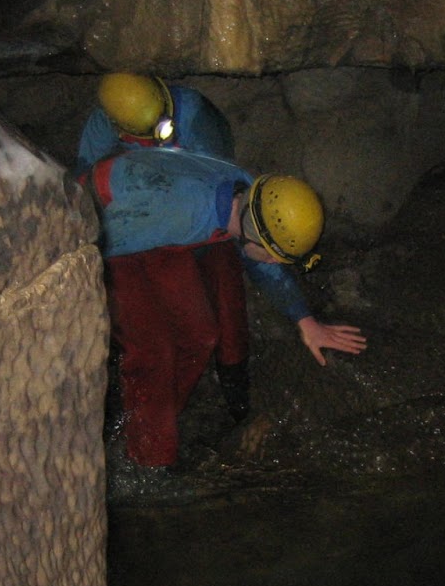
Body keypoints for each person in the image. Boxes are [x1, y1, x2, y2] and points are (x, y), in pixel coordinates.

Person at [88, 146, 367, 469]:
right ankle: (148, 463)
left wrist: (305, 321)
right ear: (254, 234)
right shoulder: (185, 212)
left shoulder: (249, 194)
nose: (276, 262)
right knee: (154, 351)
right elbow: (95, 240)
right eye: (274, 254)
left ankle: (149, 421)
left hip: (155, 230)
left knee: (201, 334)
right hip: (110, 227)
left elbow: (264, 262)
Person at [77, 72, 253, 421]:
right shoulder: (102, 127)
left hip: (201, 221)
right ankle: (145, 421)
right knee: (154, 343)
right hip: (141, 229)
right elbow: (88, 188)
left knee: (212, 317)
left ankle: (229, 393)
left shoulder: (195, 121)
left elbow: (226, 199)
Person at [75, 72, 234, 174]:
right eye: (152, 129)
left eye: (163, 117)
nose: (161, 125)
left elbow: (215, 171)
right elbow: (86, 170)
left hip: (194, 158)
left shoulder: (196, 118)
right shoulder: (107, 118)